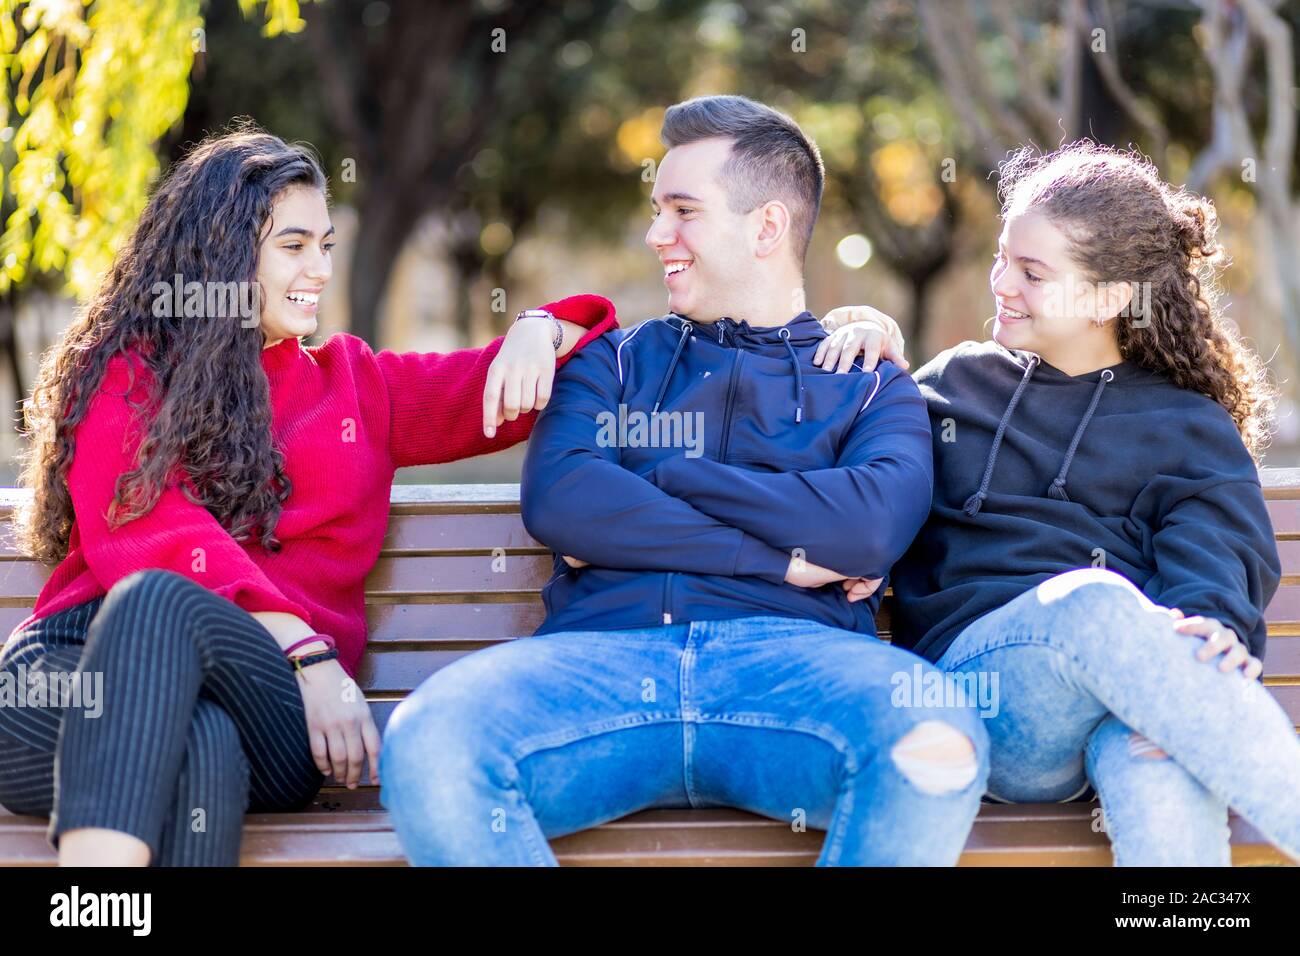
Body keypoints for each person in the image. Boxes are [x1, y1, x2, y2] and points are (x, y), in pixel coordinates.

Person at [380, 94, 990, 867]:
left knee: (938, 735)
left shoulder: (870, 384)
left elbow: (866, 528)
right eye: (656, 209)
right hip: (597, 665)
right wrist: (778, 558)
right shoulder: (614, 361)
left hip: (796, 675)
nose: (655, 233)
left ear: (766, 226)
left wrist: (666, 473)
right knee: (429, 743)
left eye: (683, 211)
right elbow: (562, 497)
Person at [0, 125, 617, 866]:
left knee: (196, 694)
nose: (319, 267)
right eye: (294, 245)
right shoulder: (129, 374)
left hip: (275, 714)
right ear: (222, 253)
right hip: (70, 685)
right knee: (196, 728)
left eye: (326, 244)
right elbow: (151, 533)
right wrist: (310, 655)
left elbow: (526, 379)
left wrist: (541, 326)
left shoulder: (359, 387)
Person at [818, 142, 1300, 865]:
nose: (1001, 284)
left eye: (1032, 273)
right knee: (1090, 602)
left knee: (1162, 759)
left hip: (1120, 704)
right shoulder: (954, 387)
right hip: (981, 701)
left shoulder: (1186, 424)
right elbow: (862, 480)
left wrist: (1212, 624)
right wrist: (864, 343)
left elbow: (1217, 549)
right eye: (1003, 259)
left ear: (1108, 298)